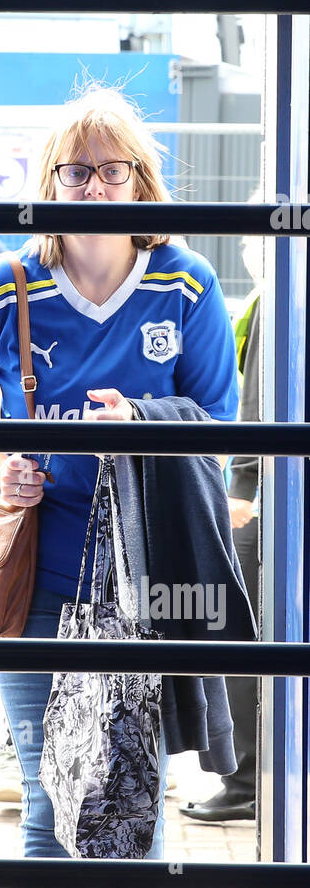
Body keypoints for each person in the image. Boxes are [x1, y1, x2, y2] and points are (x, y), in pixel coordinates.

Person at [0, 85, 240, 888]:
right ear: (48, 179)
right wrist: (0, 467)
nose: (91, 185)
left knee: (134, 797)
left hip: (146, 582)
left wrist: (139, 421)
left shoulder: (188, 285)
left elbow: (223, 435)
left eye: (110, 168)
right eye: (73, 169)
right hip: (41, 579)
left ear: (141, 182)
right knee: (50, 800)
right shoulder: (4, 286)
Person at [181, 214, 261, 823]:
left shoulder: (270, 303)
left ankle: (242, 781)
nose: (246, 249)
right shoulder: (262, 303)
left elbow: (249, 410)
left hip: (255, 492)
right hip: (251, 487)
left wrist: (238, 489)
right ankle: (242, 779)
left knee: (239, 635)